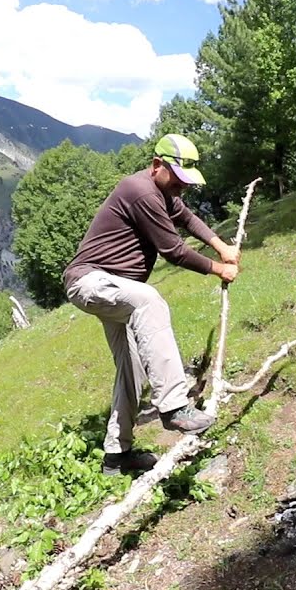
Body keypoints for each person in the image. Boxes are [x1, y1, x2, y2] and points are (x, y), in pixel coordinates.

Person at [62, 134, 240, 475]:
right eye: (178, 180)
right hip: (90, 282)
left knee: (132, 369)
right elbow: (173, 250)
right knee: (150, 300)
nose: (182, 189)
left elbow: (187, 219)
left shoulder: (164, 192)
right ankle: (175, 407)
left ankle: (117, 455)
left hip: (115, 288)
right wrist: (219, 268)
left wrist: (221, 245)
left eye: (186, 184)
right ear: (157, 165)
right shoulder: (141, 191)